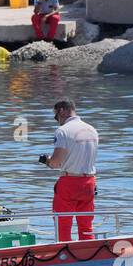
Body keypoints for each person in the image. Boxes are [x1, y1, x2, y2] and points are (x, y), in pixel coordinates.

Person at [39, 99, 98, 241]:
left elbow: (56, 163)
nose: (57, 121)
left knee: (63, 224)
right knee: (86, 225)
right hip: (89, 182)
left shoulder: (63, 131)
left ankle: (65, 250)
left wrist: (47, 161)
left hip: (69, 182)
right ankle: (89, 249)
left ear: (61, 111)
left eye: (56, 117)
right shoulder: (92, 130)